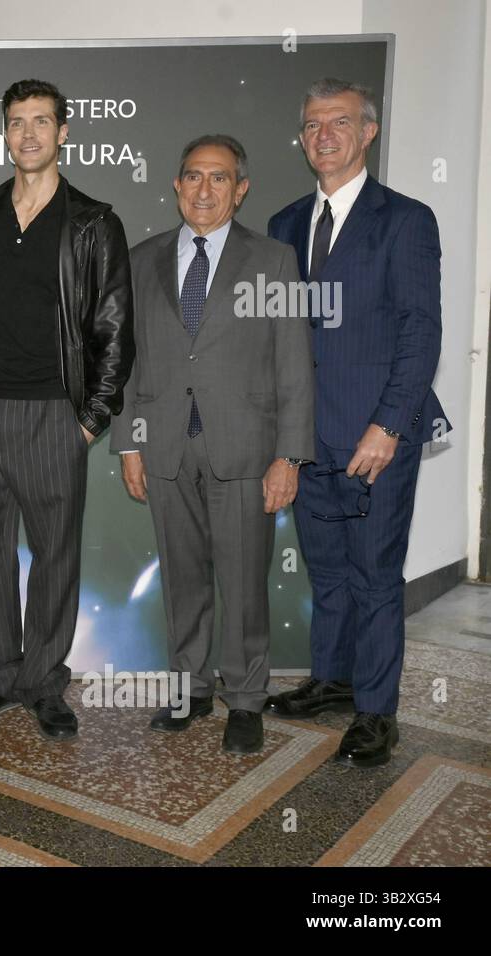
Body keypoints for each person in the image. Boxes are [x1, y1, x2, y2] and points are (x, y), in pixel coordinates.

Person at [110, 134, 314, 754]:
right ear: (175, 185)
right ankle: (191, 689)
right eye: (193, 177)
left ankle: (246, 698)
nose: (204, 190)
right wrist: (130, 445)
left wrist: (290, 455)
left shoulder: (275, 259)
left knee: (246, 580)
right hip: (166, 444)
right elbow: (127, 364)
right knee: (182, 578)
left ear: (241, 188)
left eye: (219, 178)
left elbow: (294, 364)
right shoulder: (141, 261)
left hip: (247, 450)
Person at [267, 78, 447, 768]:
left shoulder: (405, 220)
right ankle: (333, 681)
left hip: (376, 438)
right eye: (313, 125)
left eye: (339, 123)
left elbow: (419, 331)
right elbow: (278, 340)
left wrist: (389, 425)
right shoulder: (284, 226)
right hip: (306, 442)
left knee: (374, 577)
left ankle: (376, 714)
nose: (324, 135)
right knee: (329, 573)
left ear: (368, 132)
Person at [0, 79, 133, 739]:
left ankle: (44, 684)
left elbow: (114, 328)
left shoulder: (93, 222)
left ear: (63, 133)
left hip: (56, 413)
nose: (28, 134)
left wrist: (90, 419)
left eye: (41, 122)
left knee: (54, 555)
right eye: (17, 122)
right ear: (4, 132)